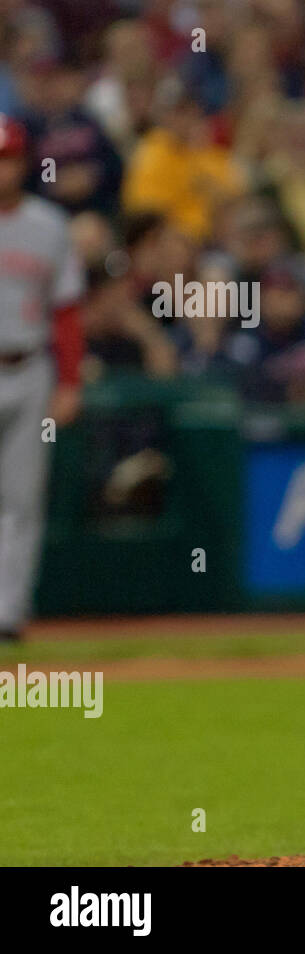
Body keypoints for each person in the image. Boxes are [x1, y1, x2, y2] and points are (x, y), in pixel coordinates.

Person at [0, 116, 85, 643]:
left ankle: (7, 614)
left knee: (22, 499)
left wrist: (70, 381)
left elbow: (67, 312)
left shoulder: (49, 225)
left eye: (7, 158)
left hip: (30, 368)